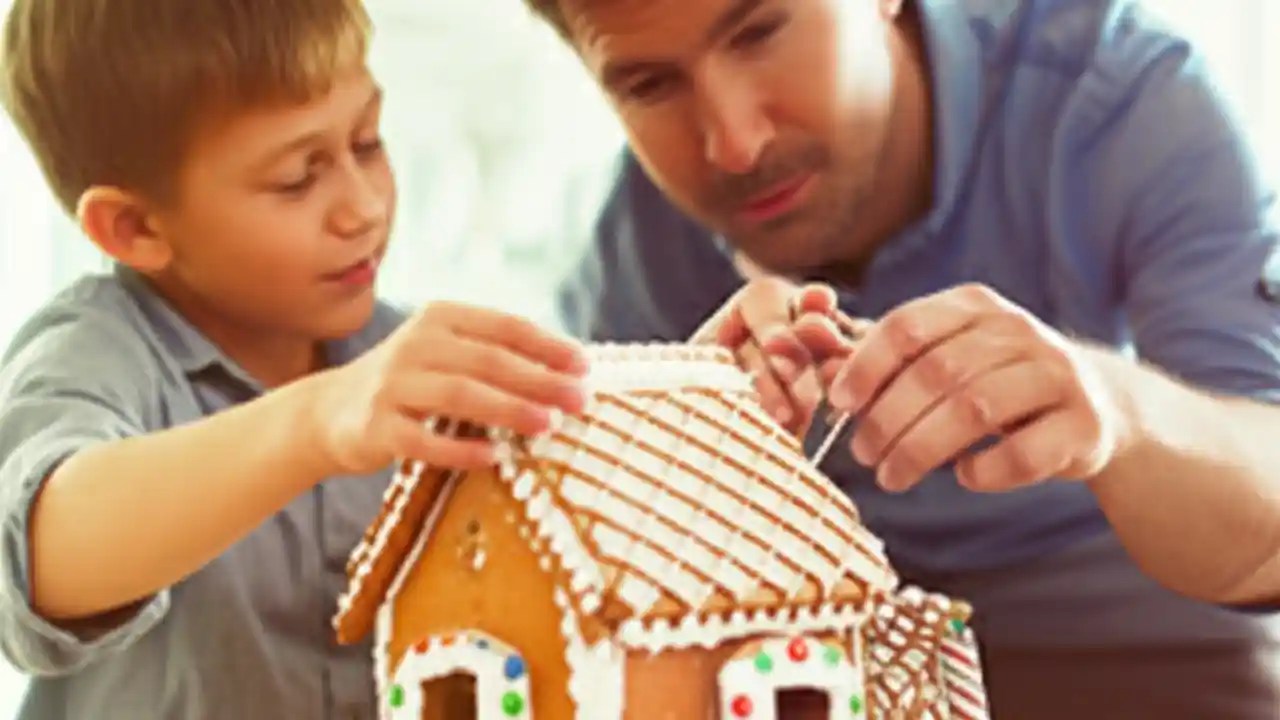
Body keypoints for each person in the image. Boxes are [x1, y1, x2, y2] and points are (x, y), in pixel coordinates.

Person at [529, 0, 1280, 715]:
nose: (735, 143)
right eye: (650, 85)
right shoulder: (633, 249)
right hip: (823, 652)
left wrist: (1120, 415)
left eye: (760, 32)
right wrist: (696, 469)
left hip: (1138, 633)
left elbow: (1267, 512)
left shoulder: (1123, 95)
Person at [0, 1, 591, 717]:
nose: (363, 208)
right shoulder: (100, 354)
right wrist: (316, 421)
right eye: (296, 179)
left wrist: (699, 386)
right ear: (135, 227)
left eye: (368, 142)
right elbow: (43, 555)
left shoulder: (398, 369)